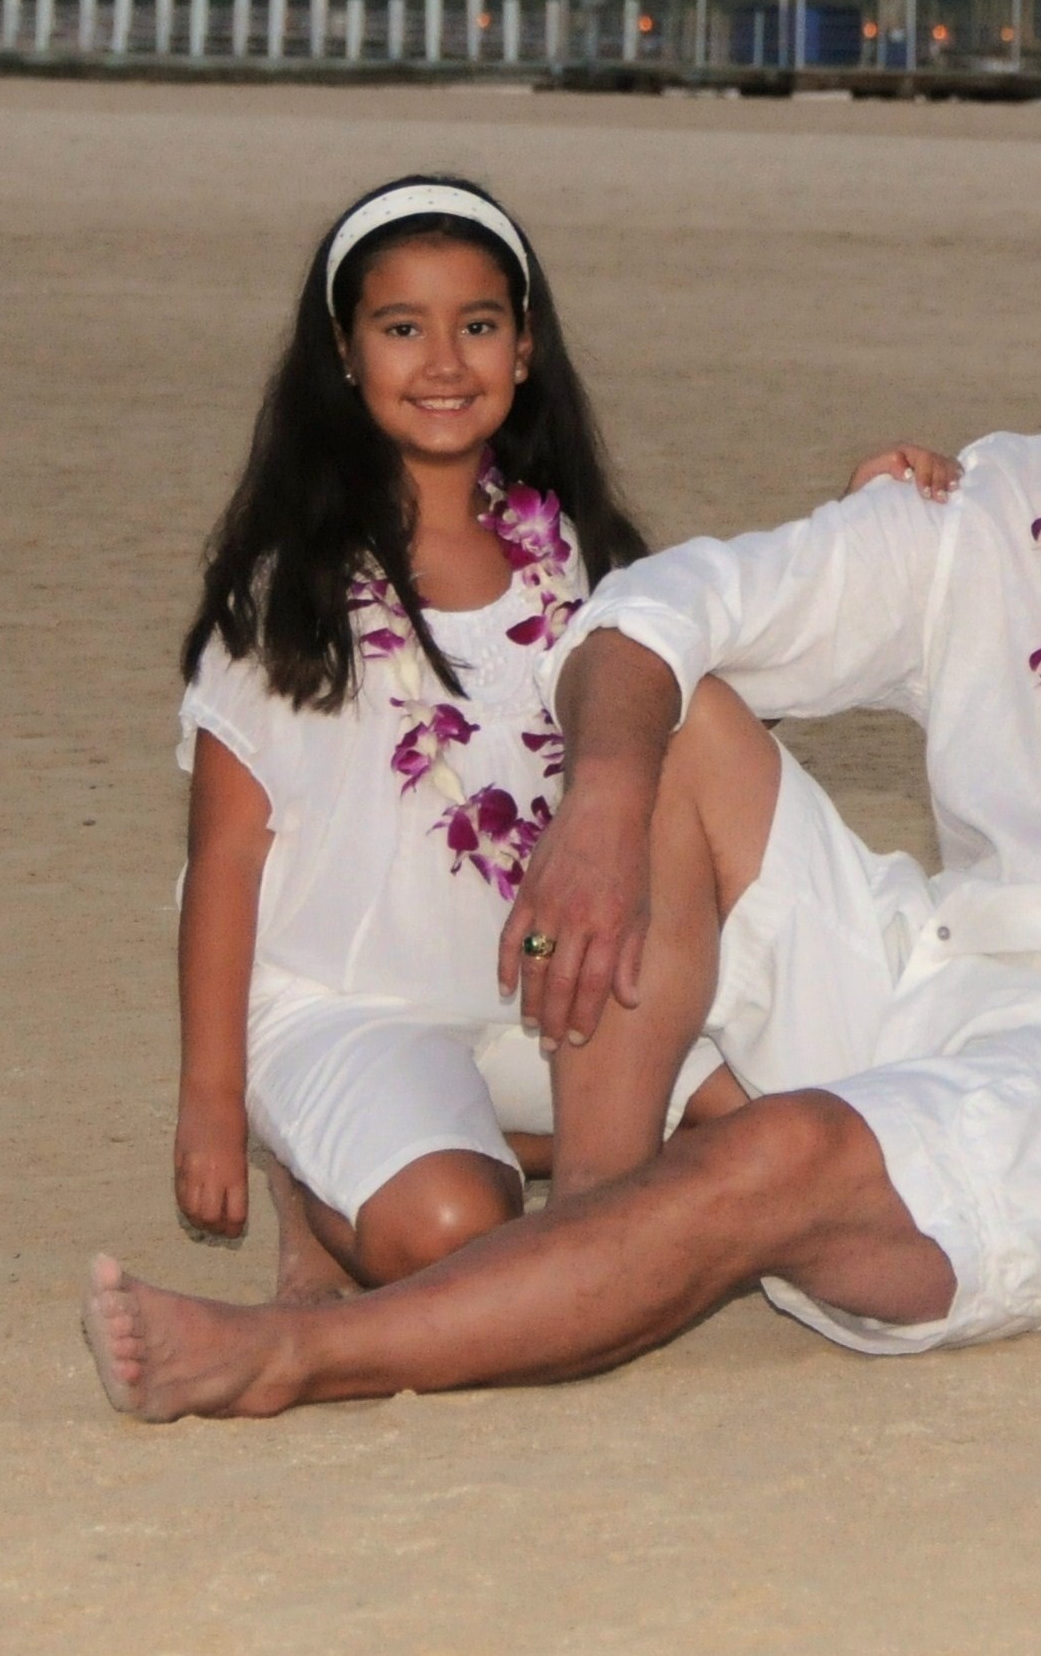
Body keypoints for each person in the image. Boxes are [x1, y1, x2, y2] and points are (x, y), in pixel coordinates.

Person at [81, 129, 1041, 1415]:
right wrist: (601, 802)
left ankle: (295, 1356)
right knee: (673, 706)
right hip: (936, 979)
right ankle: (588, 1222)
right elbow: (663, 605)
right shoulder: (1000, 505)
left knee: (778, 1150)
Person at [163, 175, 909, 1297]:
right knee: (453, 1232)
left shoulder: (584, 562)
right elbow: (225, 858)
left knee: (779, 1152)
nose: (444, 362)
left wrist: (869, 517)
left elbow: (715, 715)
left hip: (547, 1002)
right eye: (401, 329)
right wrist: (211, 1102)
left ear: (524, 349)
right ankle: (318, 1185)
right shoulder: (289, 595)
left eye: (477, 326)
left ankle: (493, 1145)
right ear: (345, 355)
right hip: (347, 1010)